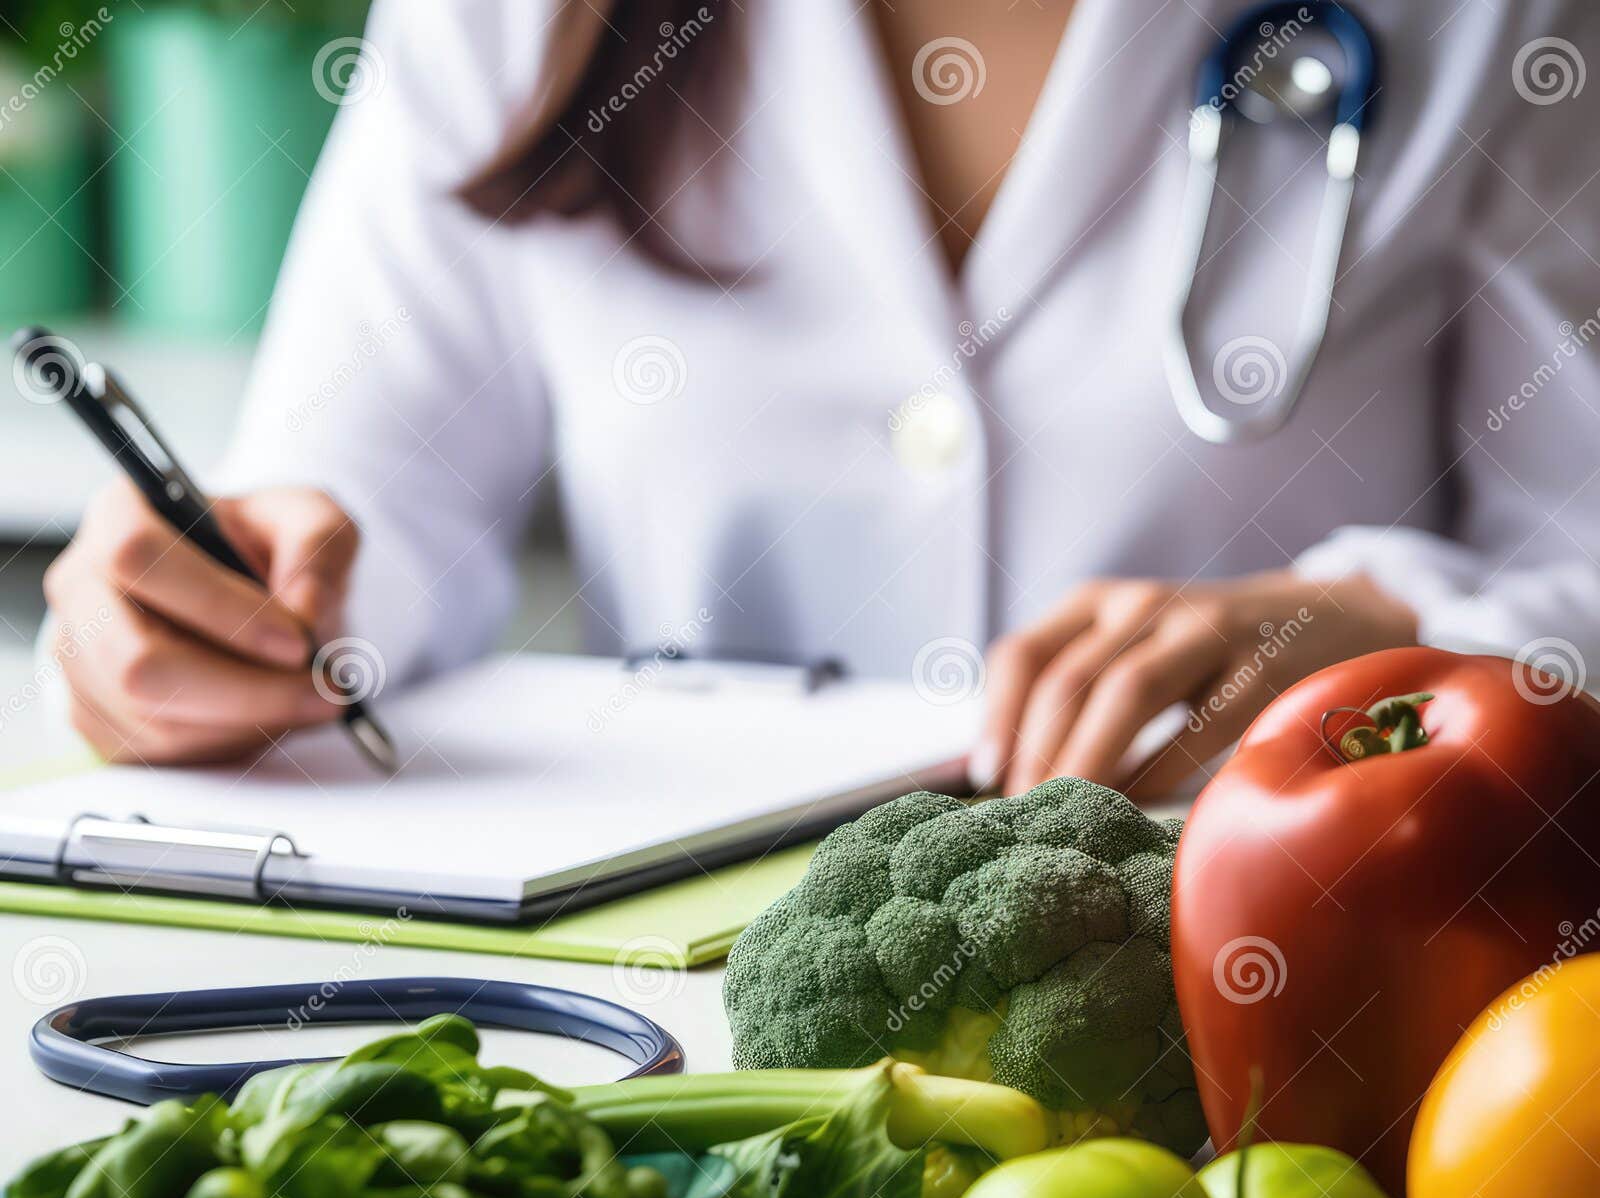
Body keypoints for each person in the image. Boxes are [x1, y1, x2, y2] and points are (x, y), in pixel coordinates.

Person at [43, 0, 1600, 797]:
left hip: (1298, 1040)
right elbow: (346, 515)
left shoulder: (1504, 26)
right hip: (665, 1061)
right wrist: (205, 624)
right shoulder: (509, 21)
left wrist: (1398, 637)